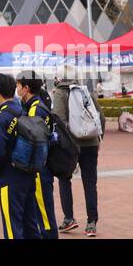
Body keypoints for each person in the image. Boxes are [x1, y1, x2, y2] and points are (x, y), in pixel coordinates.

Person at [52, 74, 101, 237]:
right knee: (90, 183)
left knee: (64, 179)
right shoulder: (85, 90)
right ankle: (92, 223)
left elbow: (59, 119)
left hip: (70, 146)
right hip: (91, 143)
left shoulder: (59, 92)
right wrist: (97, 138)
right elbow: (99, 116)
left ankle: (69, 219)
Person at [0, 73, 34, 239]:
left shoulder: (0, 117)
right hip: (28, 174)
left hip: (9, 178)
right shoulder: (22, 110)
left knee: (13, 228)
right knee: (30, 225)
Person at [17, 74, 58, 239]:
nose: (17, 89)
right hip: (41, 166)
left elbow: (33, 140)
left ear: (26, 88)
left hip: (39, 168)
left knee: (44, 211)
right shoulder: (36, 105)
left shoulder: (35, 109)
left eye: (18, 85)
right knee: (39, 209)